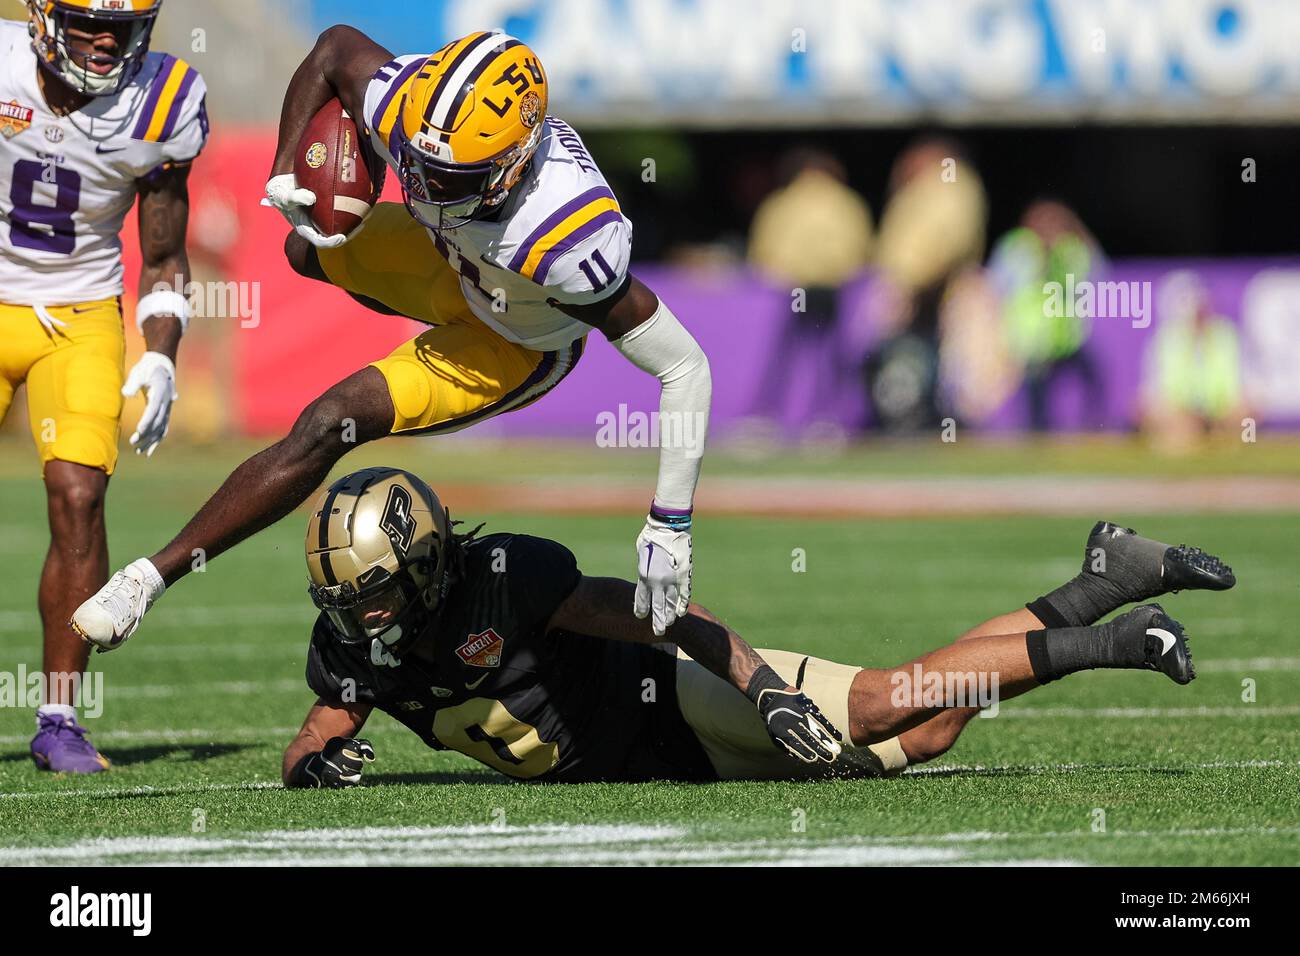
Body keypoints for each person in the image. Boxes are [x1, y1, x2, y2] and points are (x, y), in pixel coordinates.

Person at [72, 27, 713, 656]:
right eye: (420, 165)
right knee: (306, 243)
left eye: (451, 177)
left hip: (514, 339)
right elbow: (334, 48)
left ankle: (147, 579)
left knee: (330, 421)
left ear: (515, 166)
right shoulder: (413, 109)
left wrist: (670, 523)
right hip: (450, 264)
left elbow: (684, 366)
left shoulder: (571, 240)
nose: (426, 185)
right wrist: (285, 170)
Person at [280, 469, 1235, 787]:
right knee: (928, 730)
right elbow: (318, 731)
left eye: (377, 592)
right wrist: (314, 762)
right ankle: (1101, 582)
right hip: (663, 763)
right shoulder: (355, 645)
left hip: (679, 699)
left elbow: (662, 619)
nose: (364, 617)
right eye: (349, 600)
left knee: (875, 707)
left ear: (432, 567)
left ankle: (1114, 640)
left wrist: (763, 688)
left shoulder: (508, 579)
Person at [0, 0, 206, 772]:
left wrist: (161, 351)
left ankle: (59, 718)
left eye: (121, 25)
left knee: (81, 496)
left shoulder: (165, 101)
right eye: (87, 20)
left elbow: (163, 253)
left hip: (82, 309)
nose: (104, 37)